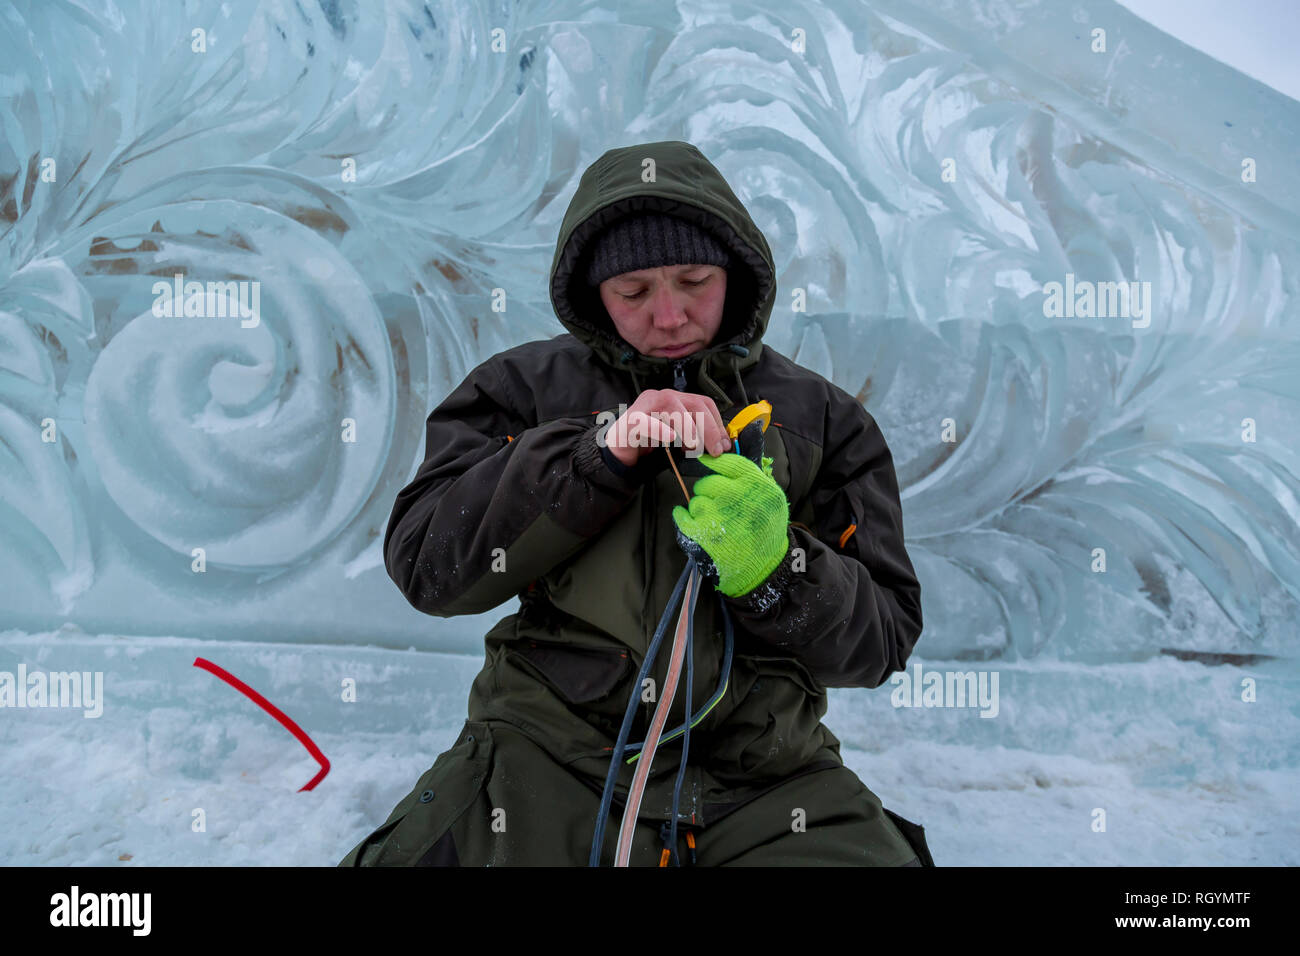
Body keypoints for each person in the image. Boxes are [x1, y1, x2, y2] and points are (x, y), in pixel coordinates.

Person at [339, 140, 933, 867]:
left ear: (737, 276)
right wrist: (590, 461)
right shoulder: (521, 391)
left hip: (765, 777)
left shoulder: (823, 422)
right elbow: (428, 567)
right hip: (549, 753)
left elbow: (884, 641)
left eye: (694, 279)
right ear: (594, 293)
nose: (670, 315)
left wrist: (775, 571)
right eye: (633, 291)